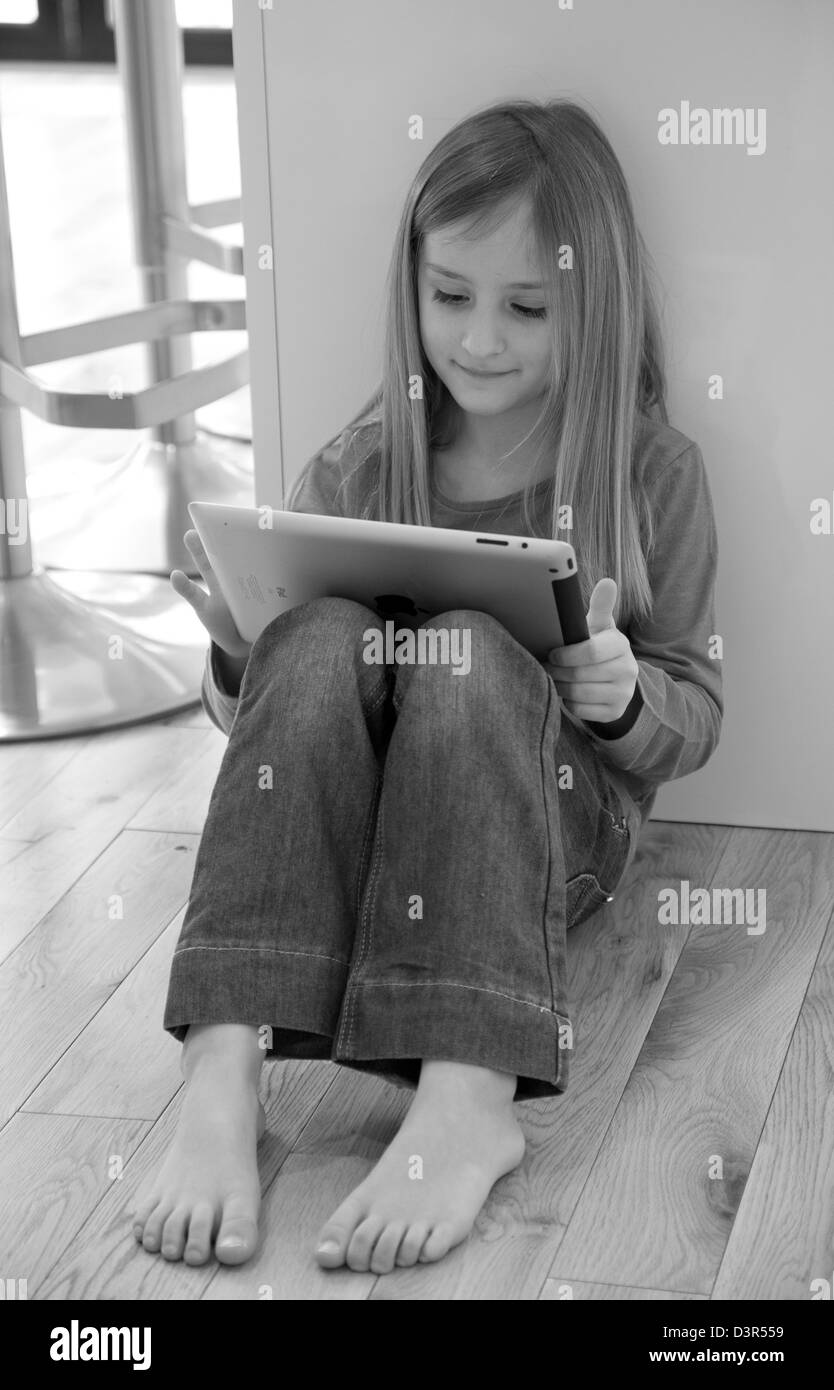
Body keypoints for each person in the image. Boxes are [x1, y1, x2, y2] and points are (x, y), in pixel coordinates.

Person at [132, 98, 723, 1275]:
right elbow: (268, 737)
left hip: (541, 837)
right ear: (412, 288)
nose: (481, 339)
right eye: (451, 296)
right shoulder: (360, 463)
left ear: (589, 305)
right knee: (314, 640)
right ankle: (221, 1062)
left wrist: (614, 692)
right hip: (372, 849)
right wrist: (242, 650)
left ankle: (468, 1091)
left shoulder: (650, 473)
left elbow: (695, 714)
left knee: (465, 652)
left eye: (526, 308)